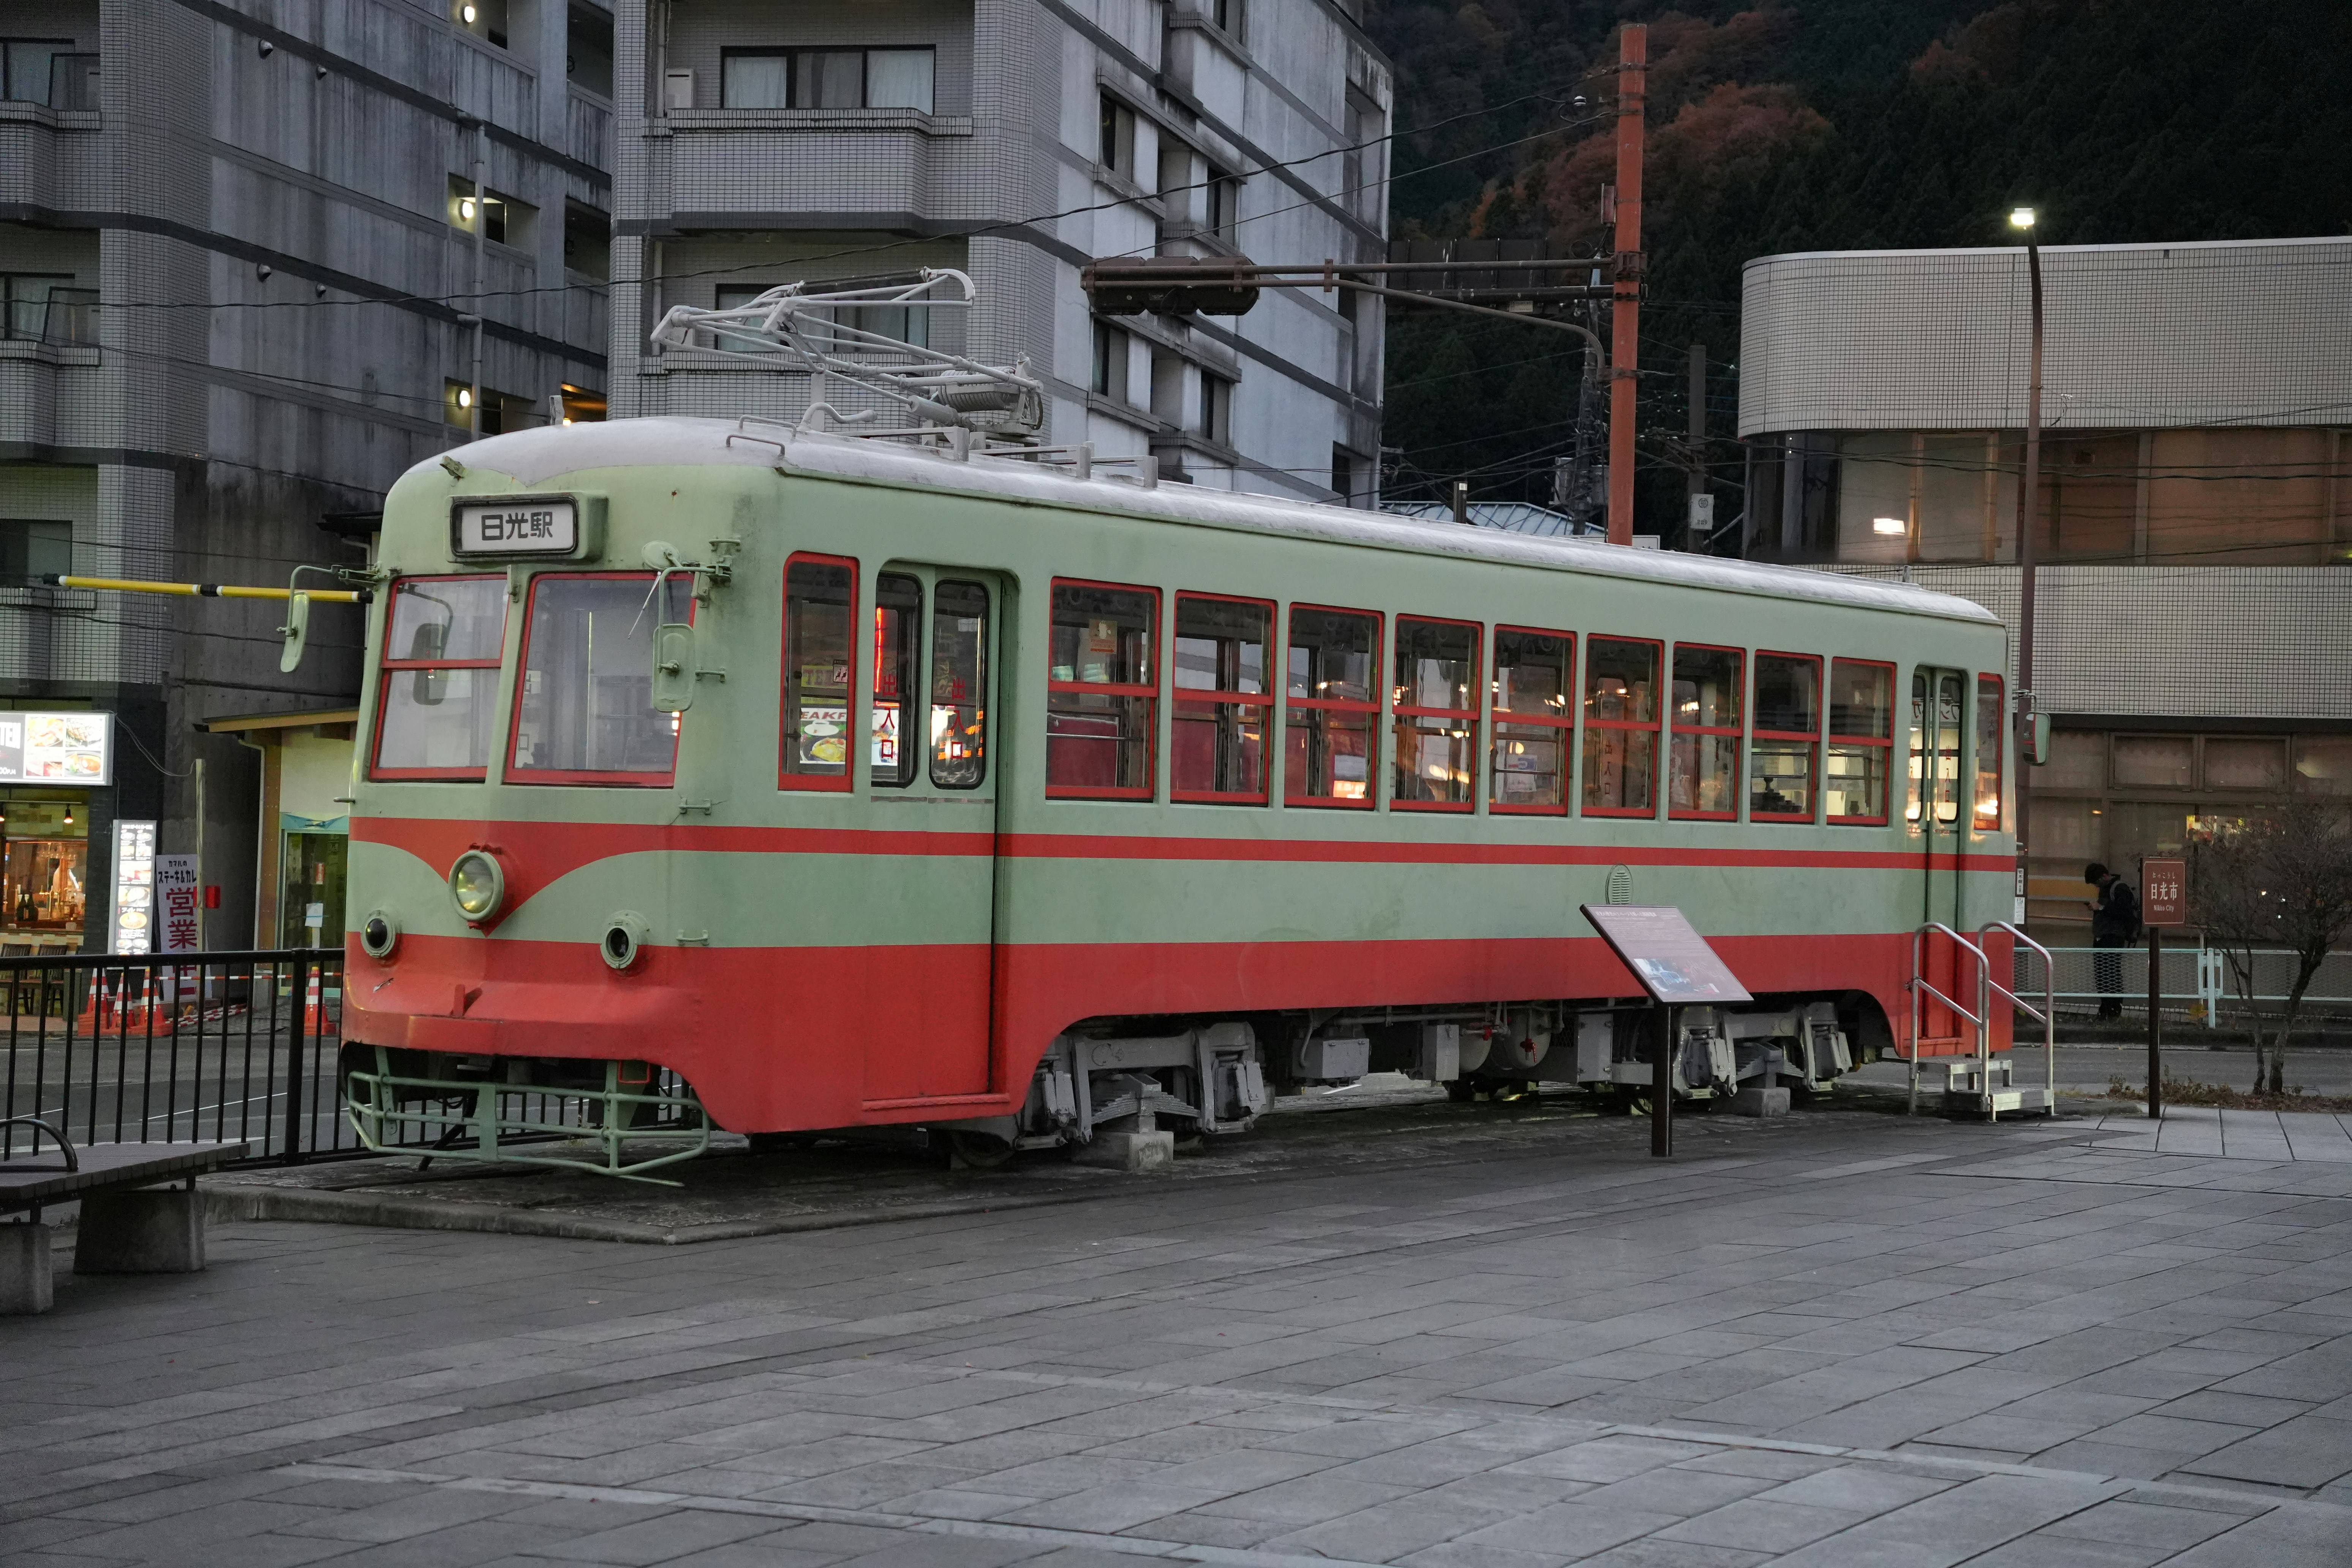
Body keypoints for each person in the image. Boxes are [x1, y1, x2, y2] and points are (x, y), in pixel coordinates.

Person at [2086, 862, 2142, 1020]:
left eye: (2097, 882)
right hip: (2103, 935)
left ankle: (2113, 1009)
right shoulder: (2108, 889)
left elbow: (2125, 913)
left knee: (2110, 973)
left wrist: (2101, 908)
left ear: (2105, 876)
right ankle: (2106, 1008)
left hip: (2113, 936)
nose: (2096, 886)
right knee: (2103, 974)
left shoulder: (2119, 888)